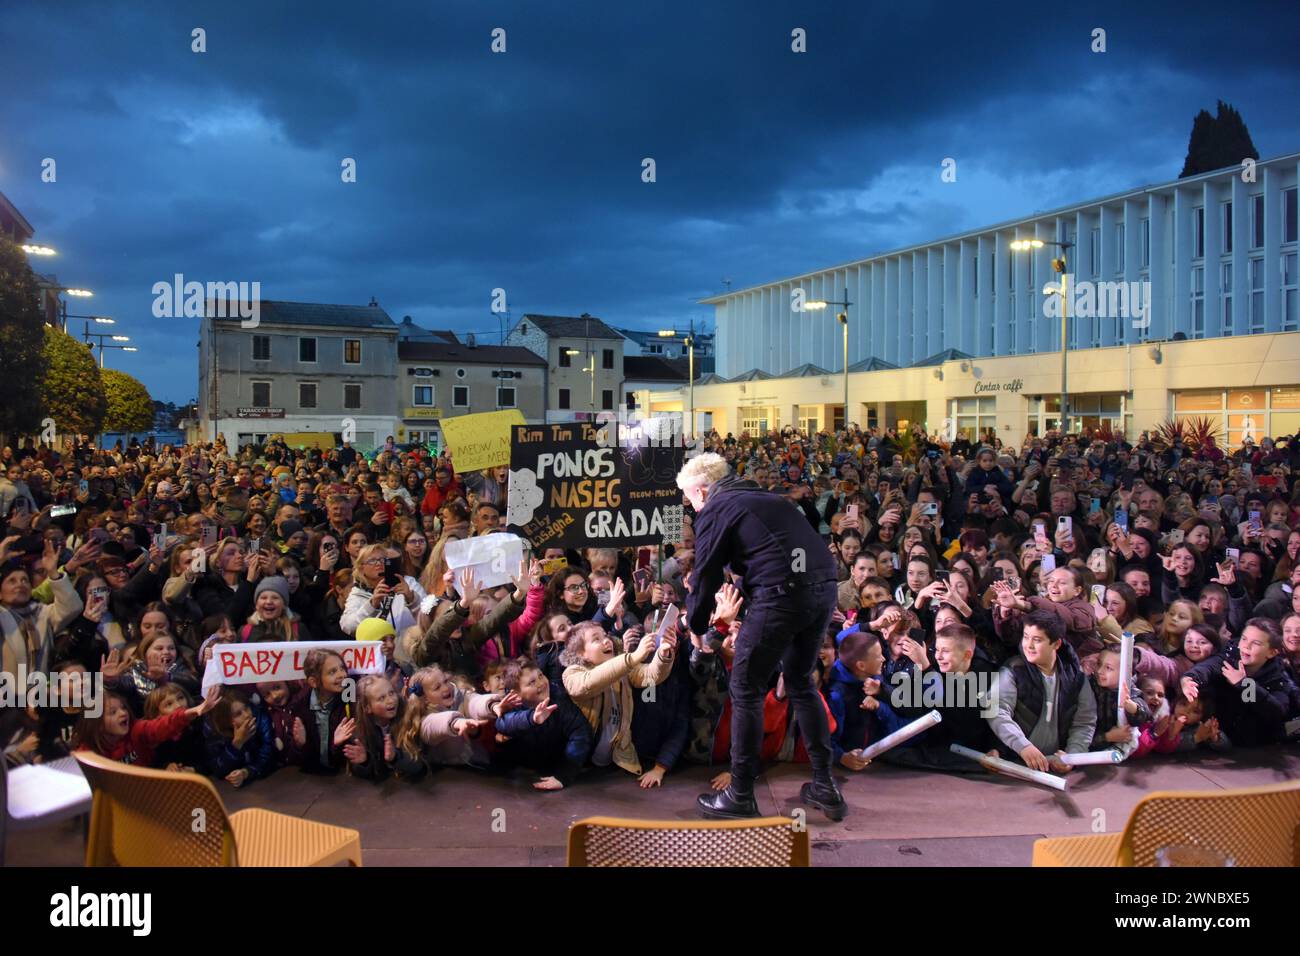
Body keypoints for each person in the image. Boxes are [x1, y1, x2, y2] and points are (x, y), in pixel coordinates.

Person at [679, 452, 843, 821]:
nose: (690, 508)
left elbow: (704, 574)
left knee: (747, 688)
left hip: (781, 593)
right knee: (801, 681)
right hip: (823, 586)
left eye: (689, 499)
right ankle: (825, 786)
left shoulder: (717, 507)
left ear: (702, 492)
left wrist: (698, 625)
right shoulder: (765, 497)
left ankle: (739, 794)